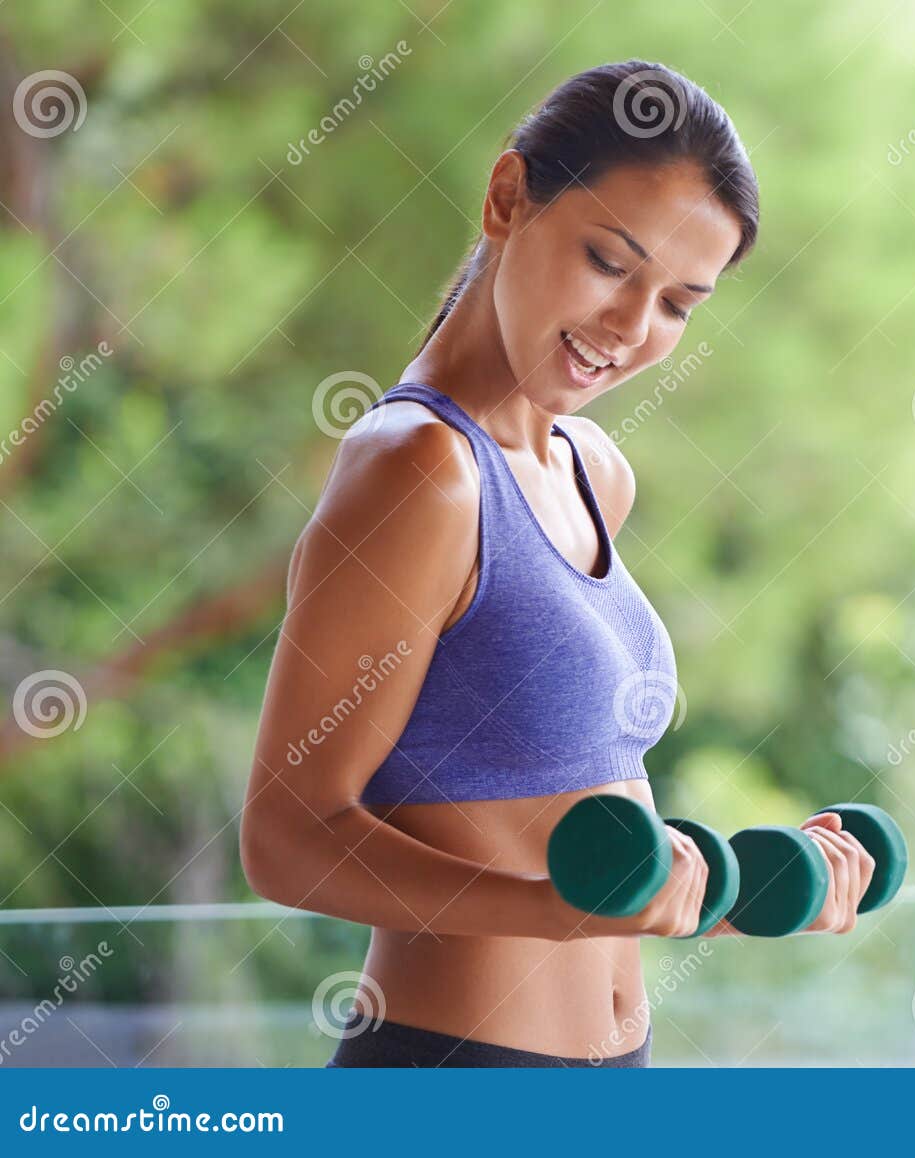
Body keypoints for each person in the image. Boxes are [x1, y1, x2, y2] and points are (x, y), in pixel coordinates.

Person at [240, 60, 875, 1068]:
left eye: (678, 304)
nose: (632, 329)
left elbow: (551, 817)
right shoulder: (419, 472)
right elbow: (286, 836)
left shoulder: (590, 471)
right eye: (610, 263)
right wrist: (553, 913)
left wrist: (707, 891)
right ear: (506, 200)